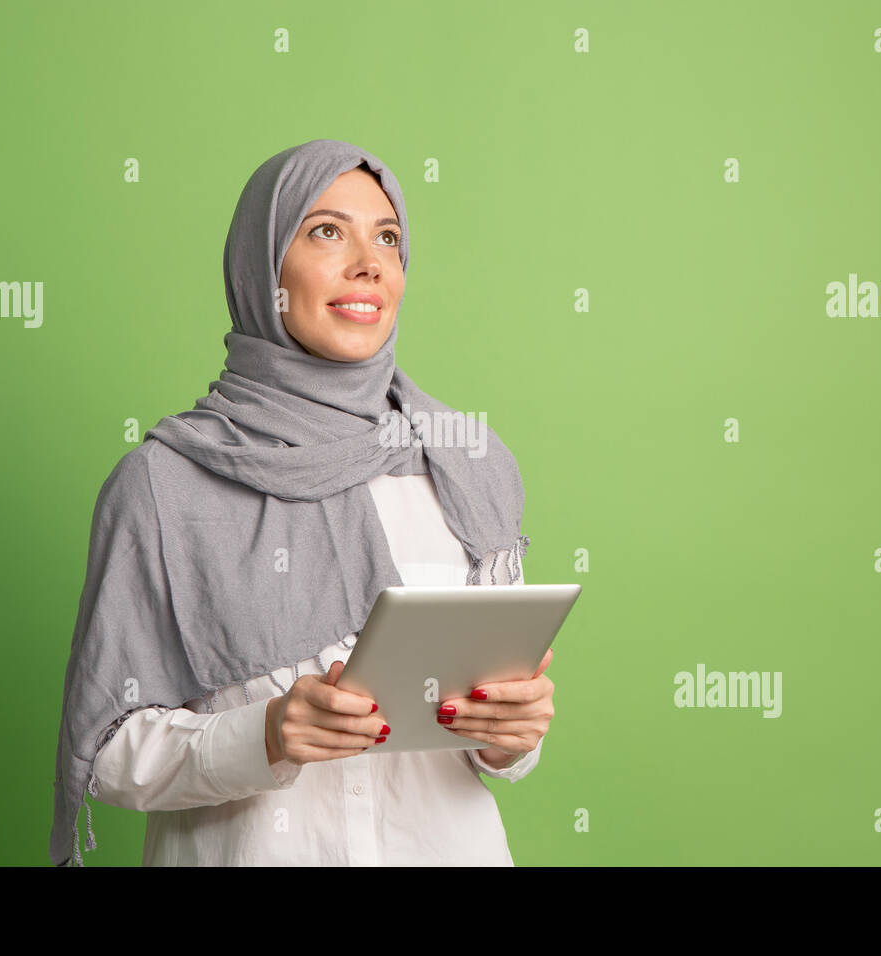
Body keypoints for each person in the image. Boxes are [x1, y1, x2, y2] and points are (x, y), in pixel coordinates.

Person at [49, 139, 554, 866]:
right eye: (326, 231)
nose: (369, 263)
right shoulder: (164, 483)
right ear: (263, 268)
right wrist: (269, 734)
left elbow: (488, 741)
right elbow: (105, 751)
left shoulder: (462, 461)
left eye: (388, 238)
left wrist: (512, 737)